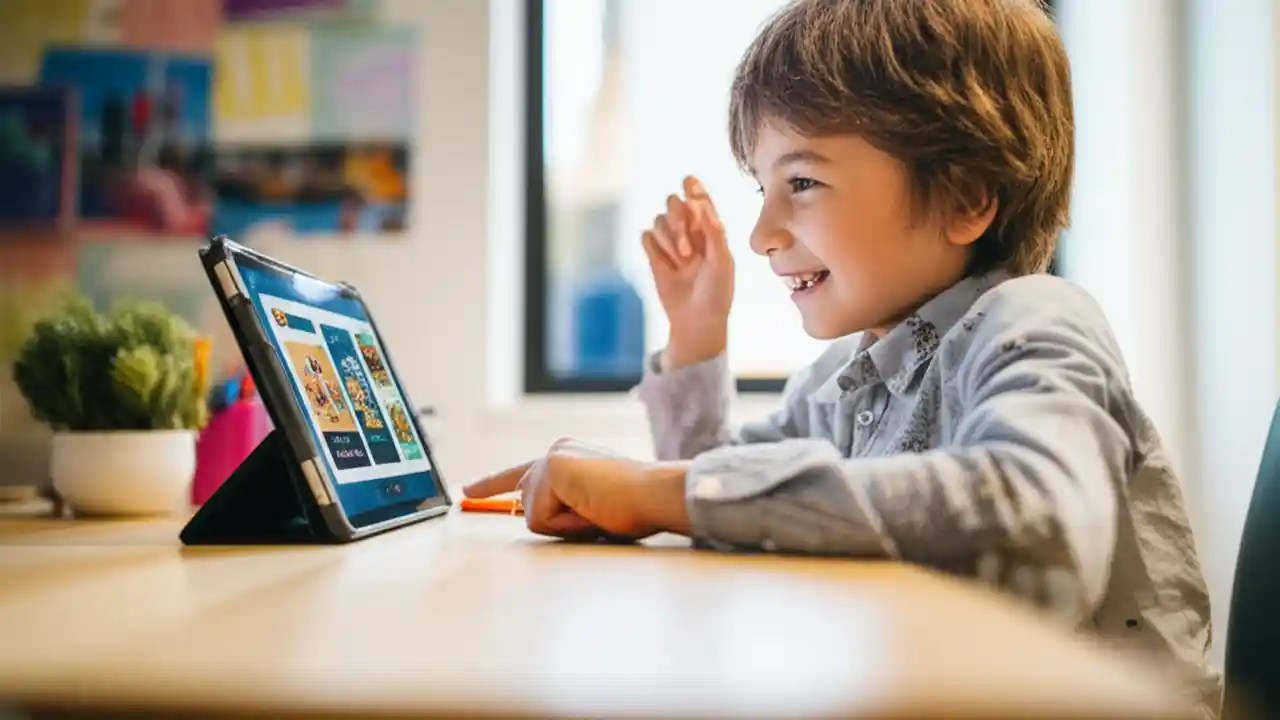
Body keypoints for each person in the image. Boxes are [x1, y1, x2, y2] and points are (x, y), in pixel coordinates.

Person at [465, 0, 1219, 714]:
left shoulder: (1035, 319)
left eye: (803, 181)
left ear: (966, 199)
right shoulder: (850, 380)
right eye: (763, 187)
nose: (761, 232)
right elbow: (729, 502)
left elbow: (1041, 524)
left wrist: (658, 489)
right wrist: (698, 334)